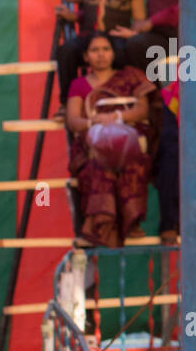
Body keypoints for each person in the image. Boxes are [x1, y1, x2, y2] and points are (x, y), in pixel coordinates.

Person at [123, 0, 181, 245]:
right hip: (154, 57)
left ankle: (176, 224)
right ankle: (161, 224)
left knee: (177, 142)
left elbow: (188, 4)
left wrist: (148, 21)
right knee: (159, 143)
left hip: (189, 47)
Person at [64, 33, 156, 248]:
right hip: (94, 141)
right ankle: (100, 225)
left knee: (133, 162)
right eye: (94, 50)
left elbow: (143, 110)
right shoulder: (79, 84)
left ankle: (131, 222)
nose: (101, 55)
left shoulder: (131, 76)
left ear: (114, 53)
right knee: (98, 166)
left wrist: (117, 118)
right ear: (86, 57)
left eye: (105, 49)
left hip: (127, 137)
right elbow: (73, 120)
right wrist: (93, 123)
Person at [54, 0, 145, 104]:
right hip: (88, 38)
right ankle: (67, 104)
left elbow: (140, 22)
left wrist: (132, 33)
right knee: (65, 51)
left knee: (126, 54)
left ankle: (128, 103)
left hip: (115, 38)